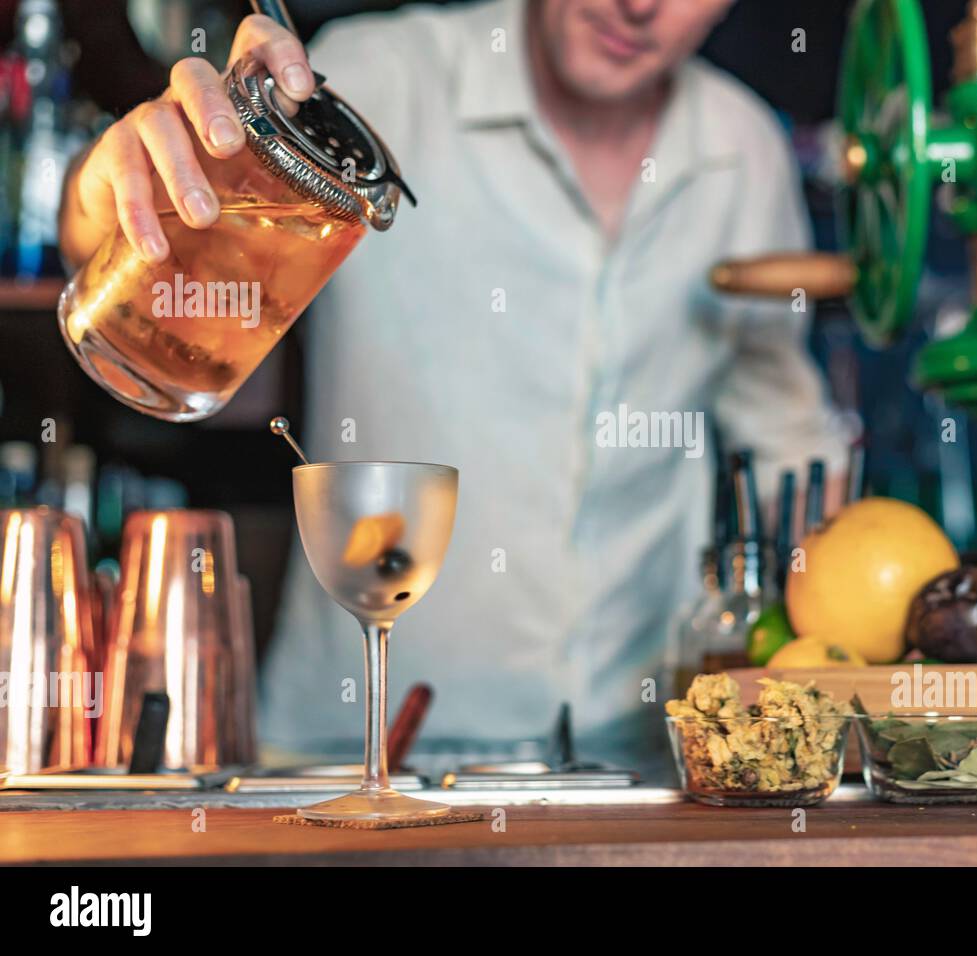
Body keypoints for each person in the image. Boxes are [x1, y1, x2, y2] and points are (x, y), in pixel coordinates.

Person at [58, 0, 846, 765]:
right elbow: (168, 259)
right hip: (349, 748)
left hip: (629, 758)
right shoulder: (379, 78)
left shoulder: (742, 149)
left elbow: (784, 433)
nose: (637, 6)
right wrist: (106, 210)